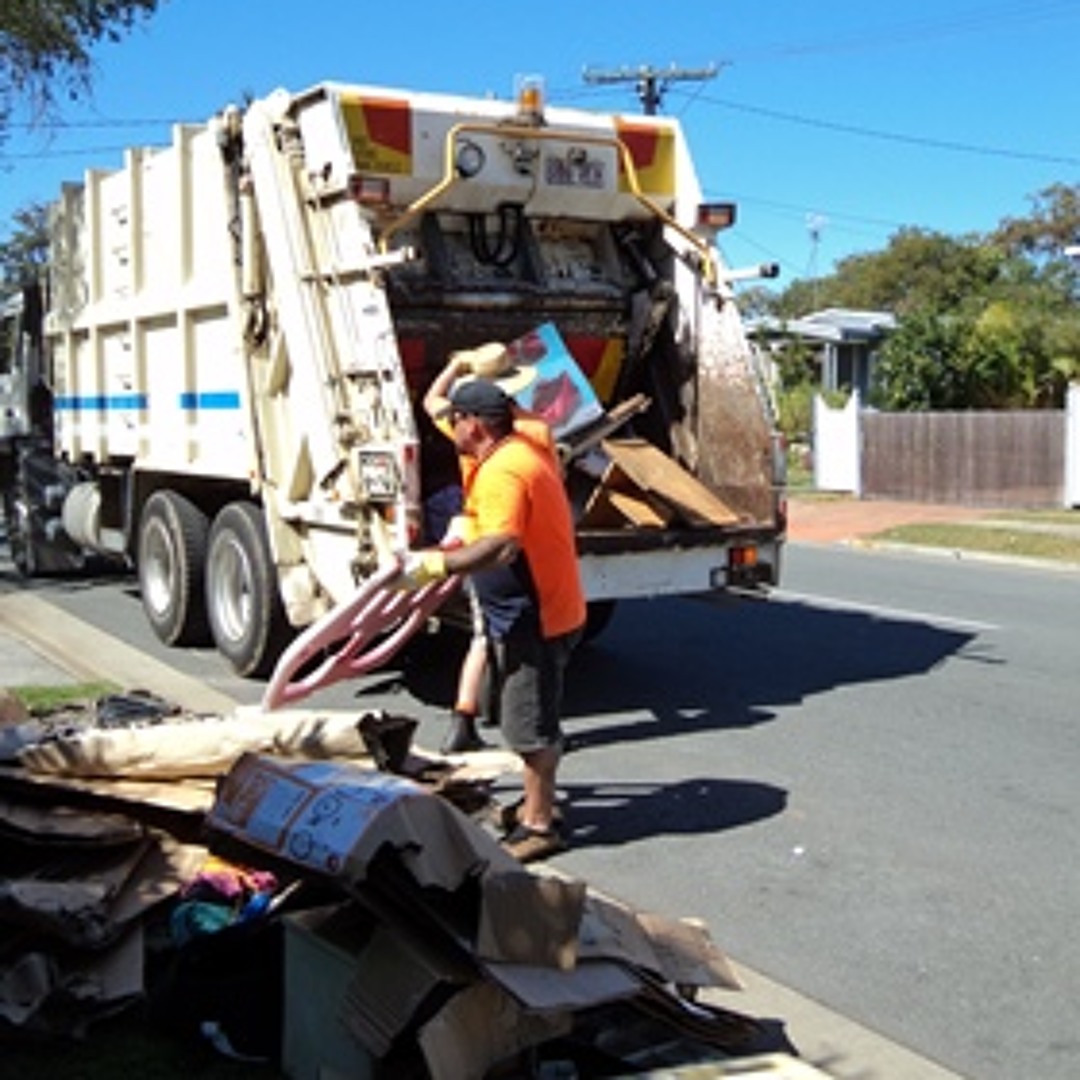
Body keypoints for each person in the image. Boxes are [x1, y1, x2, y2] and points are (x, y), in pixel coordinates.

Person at [402, 374, 584, 863]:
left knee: (529, 728)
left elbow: (503, 546)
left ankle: (539, 826)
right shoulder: (518, 448)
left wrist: (433, 565)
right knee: (529, 717)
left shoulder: (505, 469)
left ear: (475, 425)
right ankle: (535, 804)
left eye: (456, 420)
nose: (450, 428)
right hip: (536, 610)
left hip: (533, 616)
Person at [421, 344, 557, 755]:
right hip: (516, 535)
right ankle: (510, 727)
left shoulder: (467, 428)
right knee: (508, 639)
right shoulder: (535, 428)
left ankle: (466, 718)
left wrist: (453, 365)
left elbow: (430, 401)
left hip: (480, 528)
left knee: (485, 633)